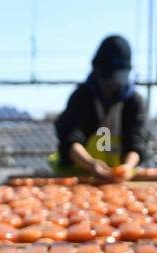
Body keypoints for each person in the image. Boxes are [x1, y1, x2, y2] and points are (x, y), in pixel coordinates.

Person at [53, 35, 148, 182]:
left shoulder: (133, 102)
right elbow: (70, 140)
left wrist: (127, 167)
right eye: (106, 79)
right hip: (76, 177)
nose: (109, 86)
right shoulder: (81, 97)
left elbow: (136, 143)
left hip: (118, 180)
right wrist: (91, 165)